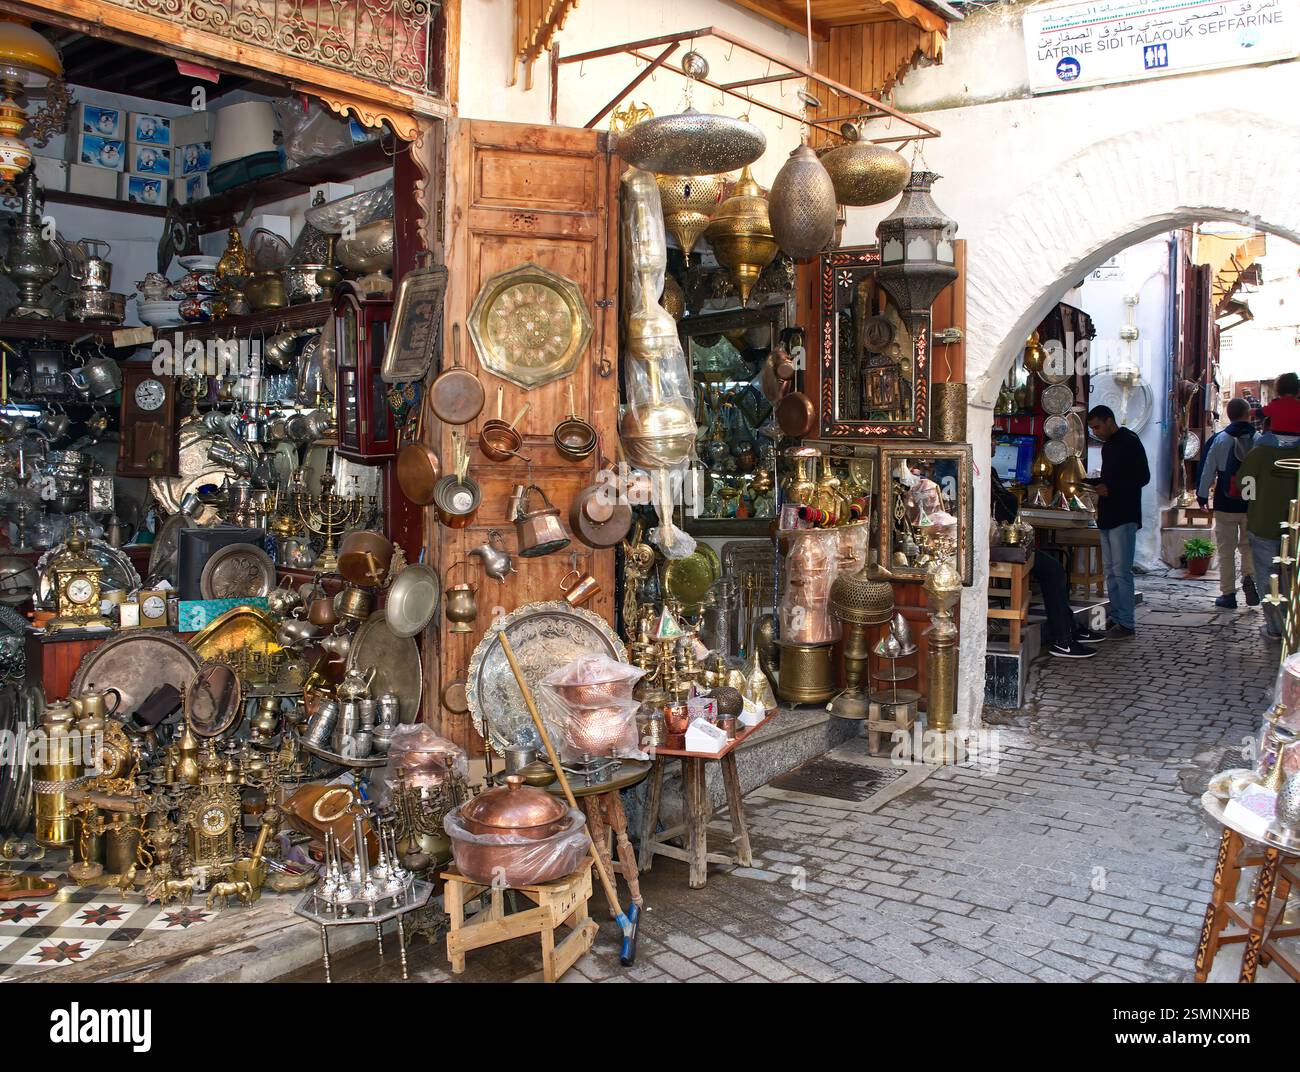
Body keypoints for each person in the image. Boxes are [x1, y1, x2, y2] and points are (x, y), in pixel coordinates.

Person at [991, 465, 1104, 658]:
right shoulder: (981, 470)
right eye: (991, 438)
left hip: (1006, 538)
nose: (993, 441)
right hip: (996, 543)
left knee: (1055, 568)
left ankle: (1068, 628)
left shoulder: (991, 470)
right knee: (1053, 570)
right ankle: (1062, 638)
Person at [1085, 405, 1150, 638]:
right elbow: (1113, 477)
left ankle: (1127, 622)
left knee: (1121, 571)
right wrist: (1091, 483)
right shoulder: (1109, 445)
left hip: (1124, 515)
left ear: (1110, 421)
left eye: (1097, 427)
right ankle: (1117, 615)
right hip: (1108, 515)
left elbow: (1143, 477)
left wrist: (1110, 487)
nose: (1096, 432)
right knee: (1111, 571)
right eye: (1092, 428)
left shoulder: (1129, 441)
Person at [1236, 431, 1300, 641]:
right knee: (1293, 578)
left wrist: (1262, 495)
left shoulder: (1259, 454)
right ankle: (1293, 626)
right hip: (1296, 527)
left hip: (1264, 523)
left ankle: (1275, 626)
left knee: (1268, 578)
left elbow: (1244, 489)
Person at [1197, 397, 1259, 609]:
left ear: (1228, 415)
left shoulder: (1220, 439)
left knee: (1225, 549)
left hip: (1225, 501)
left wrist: (1202, 496)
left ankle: (1228, 594)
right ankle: (1249, 579)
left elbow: (1207, 469)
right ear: (1248, 414)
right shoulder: (1258, 438)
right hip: (1251, 502)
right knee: (1248, 546)